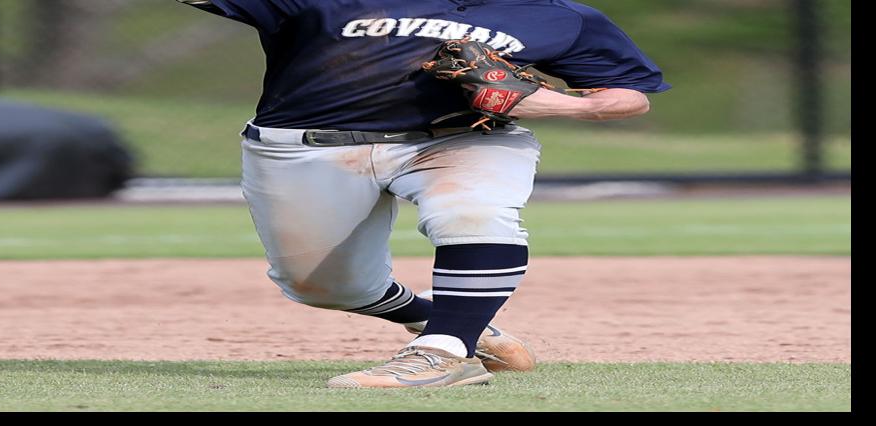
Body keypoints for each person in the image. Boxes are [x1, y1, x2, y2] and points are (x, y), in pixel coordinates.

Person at [178, 0, 668, 388]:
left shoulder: (561, 16)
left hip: (464, 139)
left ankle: (446, 348)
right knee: (323, 286)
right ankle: (442, 316)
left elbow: (628, 94)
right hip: (307, 147)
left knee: (474, 214)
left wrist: (550, 104)